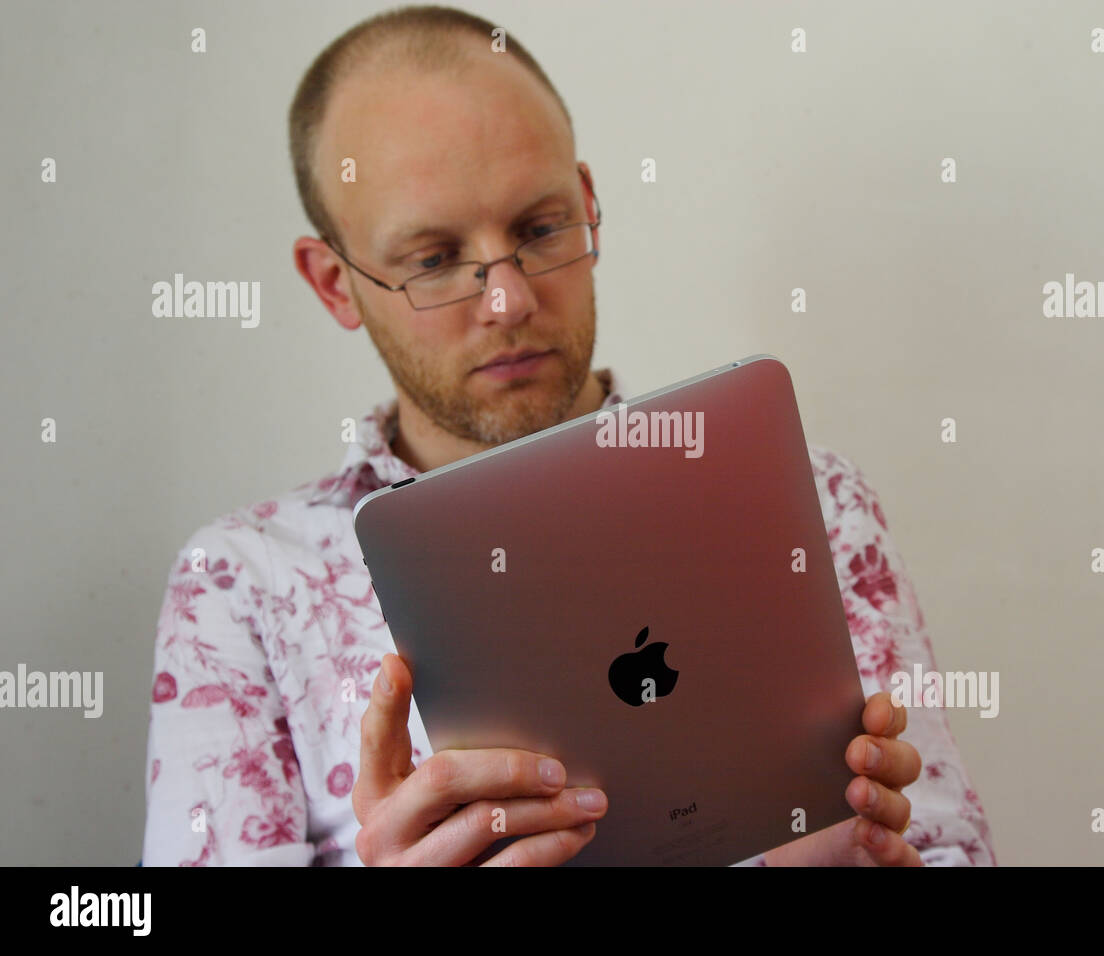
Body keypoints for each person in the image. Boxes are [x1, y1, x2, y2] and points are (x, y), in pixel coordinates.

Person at [142, 4, 996, 867]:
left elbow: (956, 850)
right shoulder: (239, 584)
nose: (508, 298)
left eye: (540, 228)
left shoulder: (807, 503)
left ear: (587, 205)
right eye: (434, 259)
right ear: (334, 283)